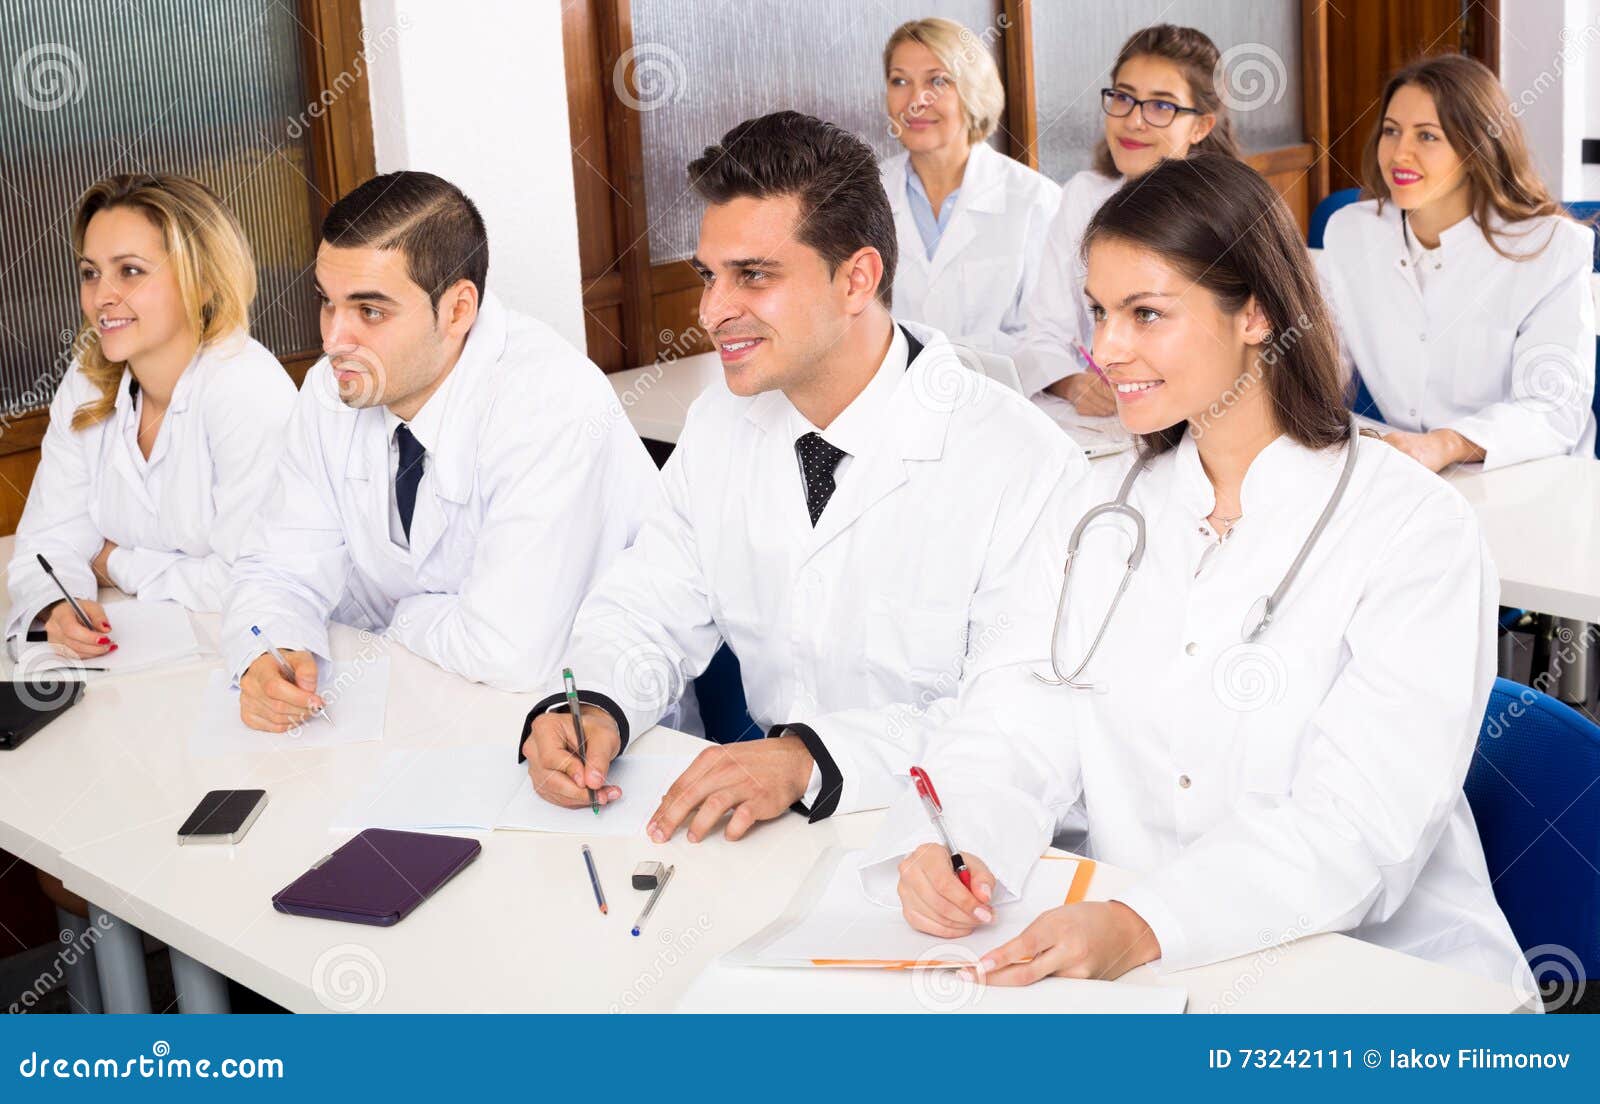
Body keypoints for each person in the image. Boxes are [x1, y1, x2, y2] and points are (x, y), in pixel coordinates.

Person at [870, 154, 1532, 997]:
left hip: (1375, 978)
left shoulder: (1413, 527)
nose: (1105, 349)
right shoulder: (1097, 501)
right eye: (1100, 312)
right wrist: (956, 835)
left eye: (1146, 314)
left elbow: (1359, 826)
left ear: (1255, 312)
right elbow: (1015, 705)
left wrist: (1148, 924)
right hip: (1133, 964)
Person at [517, 111, 1088, 843]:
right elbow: (648, 605)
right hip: (782, 836)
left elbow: (1018, 713)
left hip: (963, 849)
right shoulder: (722, 425)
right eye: (709, 276)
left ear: (857, 279)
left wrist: (810, 759)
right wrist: (594, 701)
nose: (712, 311)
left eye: (753, 276)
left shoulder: (1023, 463)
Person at [222, 171, 662, 730]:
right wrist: (269, 647)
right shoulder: (331, 389)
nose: (334, 340)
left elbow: (510, 652)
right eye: (327, 305)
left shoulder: (550, 402)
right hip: (421, 705)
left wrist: (392, 614)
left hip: (571, 729)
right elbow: (276, 566)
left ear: (457, 311)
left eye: (370, 311)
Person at [6, 173, 295, 658]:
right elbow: (46, 542)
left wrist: (113, 561)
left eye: (131, 271)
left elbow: (254, 579)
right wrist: (58, 604)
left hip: (248, 655)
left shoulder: (245, 388)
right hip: (137, 658)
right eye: (90, 272)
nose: (102, 297)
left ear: (202, 282)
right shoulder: (87, 379)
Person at [1318, 54, 1595, 472]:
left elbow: (1553, 410)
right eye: (1391, 131)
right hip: (1407, 471)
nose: (1399, 154)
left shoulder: (1552, 248)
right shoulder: (1350, 233)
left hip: (1529, 474)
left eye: (1427, 136)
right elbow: (1324, 366)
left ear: (1477, 147)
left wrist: (1445, 444)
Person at [1014, 24, 1240, 411]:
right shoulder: (1084, 196)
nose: (1134, 120)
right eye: (1123, 97)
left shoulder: (1234, 211)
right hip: (1106, 424)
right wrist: (1072, 384)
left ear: (1201, 126)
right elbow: (1044, 331)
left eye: (1161, 105)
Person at [879, 17, 1060, 355]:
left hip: (1004, 395)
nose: (916, 100)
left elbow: (1051, 339)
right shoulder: (864, 195)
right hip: (893, 399)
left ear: (973, 91)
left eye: (938, 80)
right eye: (899, 80)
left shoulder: (1036, 200)